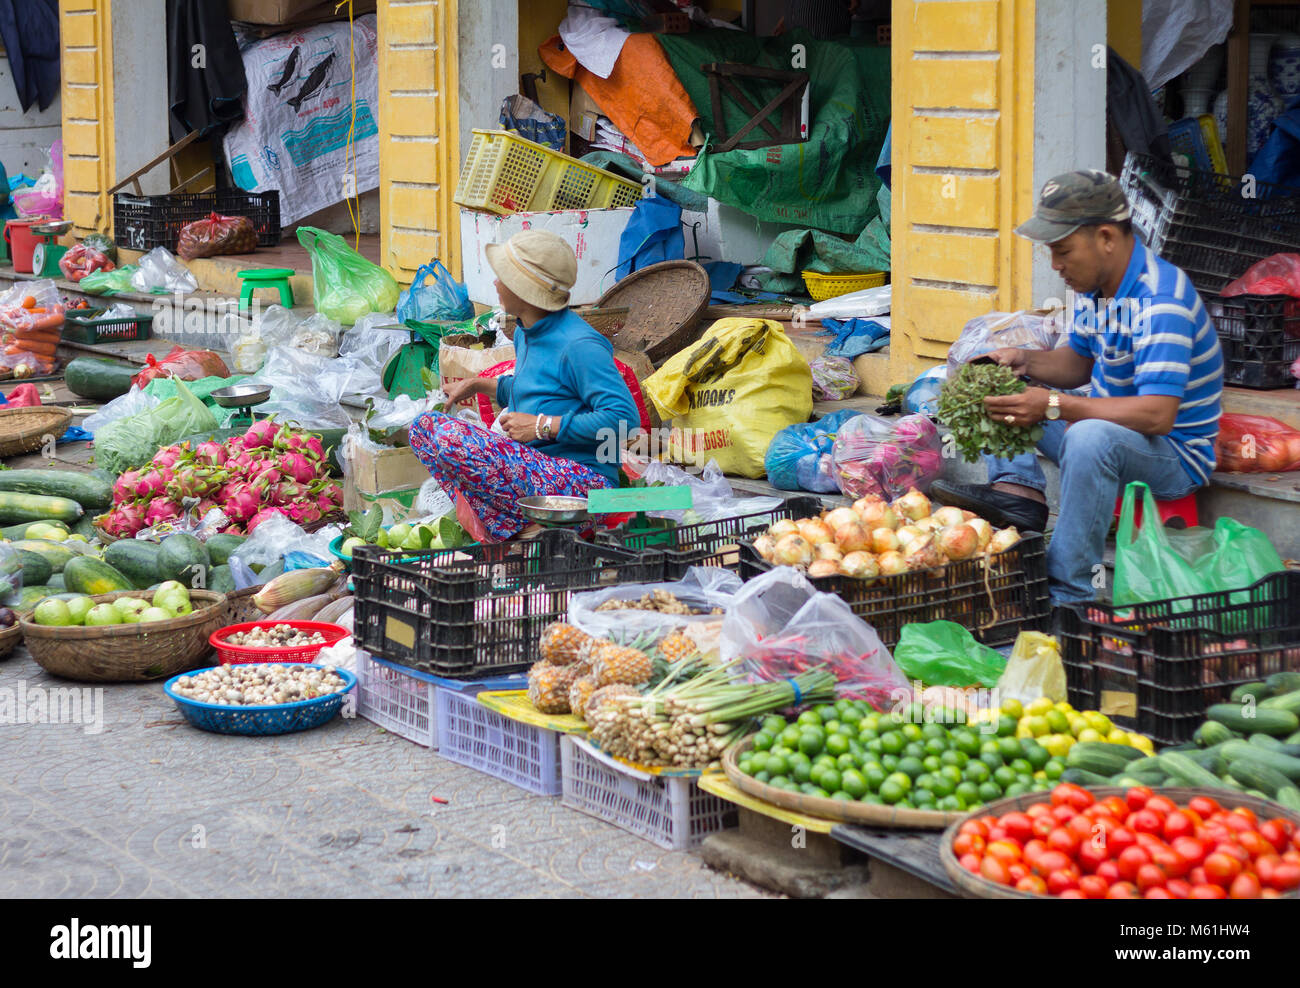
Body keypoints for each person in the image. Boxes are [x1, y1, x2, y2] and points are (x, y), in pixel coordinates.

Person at [931, 169, 1224, 606]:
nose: (1056, 265)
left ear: (1106, 237)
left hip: (1173, 454)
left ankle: (1071, 593)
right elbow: (1078, 363)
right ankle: (1019, 491)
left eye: (1063, 251)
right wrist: (1023, 360)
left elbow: (1157, 416)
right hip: (1114, 427)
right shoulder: (1097, 289)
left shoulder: (1161, 302)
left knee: (1087, 437)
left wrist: (1051, 403)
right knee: (994, 385)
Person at [407, 230, 639, 542]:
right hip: (537, 476)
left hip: (583, 486)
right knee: (422, 429)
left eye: (502, 277)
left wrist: (544, 427)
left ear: (525, 290)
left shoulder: (580, 344)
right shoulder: (525, 332)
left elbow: (624, 420)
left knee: (447, 434)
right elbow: (538, 391)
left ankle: (533, 529)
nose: (495, 284)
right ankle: (520, 528)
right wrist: (476, 385)